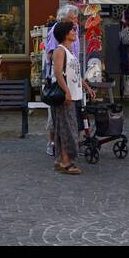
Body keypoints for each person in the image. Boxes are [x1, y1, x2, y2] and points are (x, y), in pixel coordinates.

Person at [50, 19, 94, 174]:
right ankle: (66, 161)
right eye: (72, 30)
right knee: (67, 129)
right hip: (65, 97)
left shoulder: (70, 52)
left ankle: (63, 161)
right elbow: (57, 72)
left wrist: (87, 87)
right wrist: (66, 90)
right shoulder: (59, 50)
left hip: (74, 95)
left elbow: (75, 73)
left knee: (67, 128)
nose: (75, 32)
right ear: (65, 33)